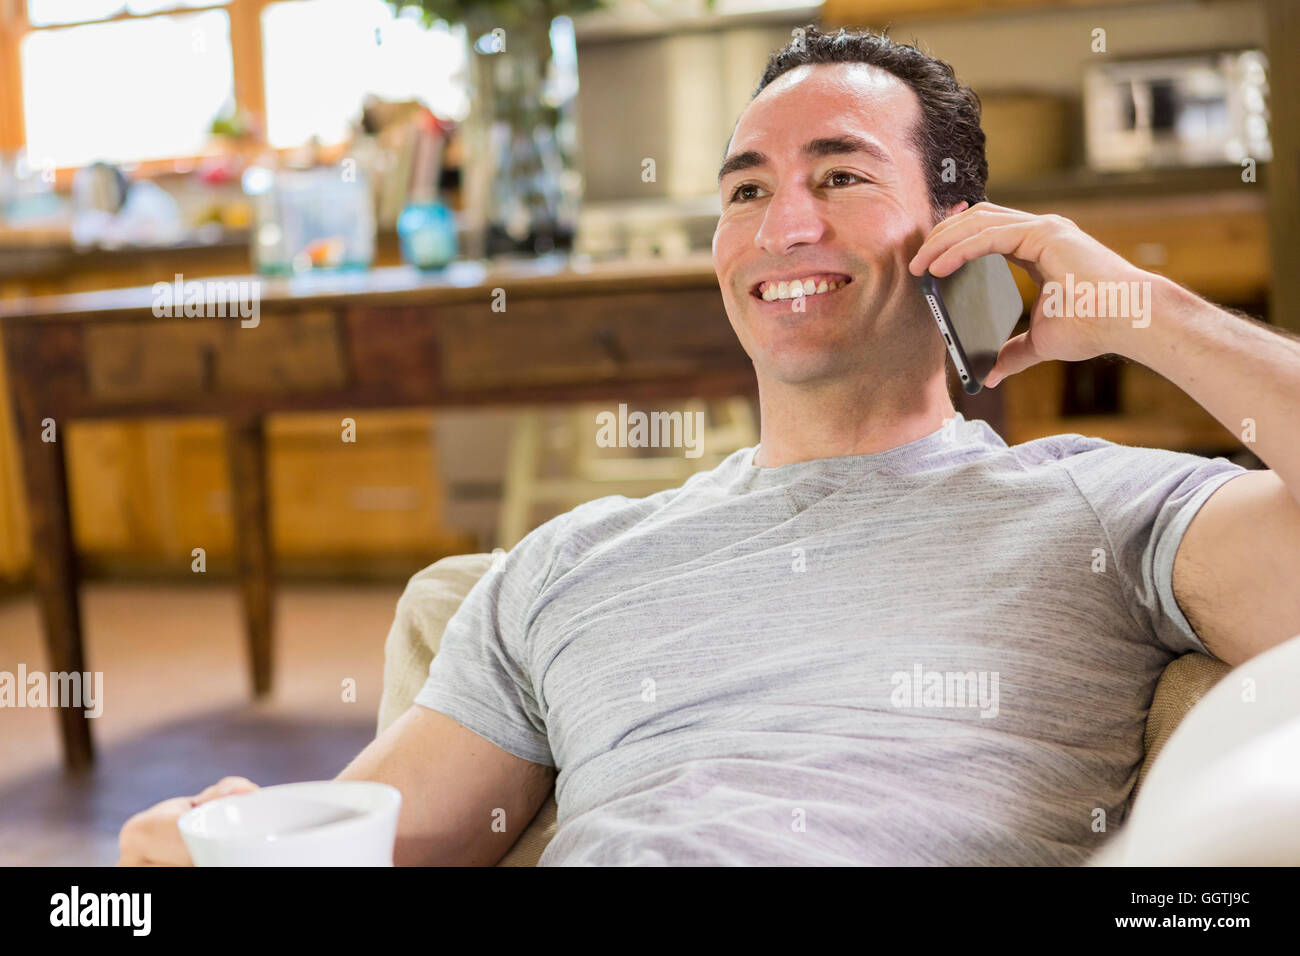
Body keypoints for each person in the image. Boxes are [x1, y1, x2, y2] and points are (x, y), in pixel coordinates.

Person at [119, 24, 1300, 866]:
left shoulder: (1101, 515)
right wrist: (219, 837)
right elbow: (372, 834)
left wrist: (1147, 309)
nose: (784, 225)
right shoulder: (568, 560)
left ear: (961, 235)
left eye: (840, 175)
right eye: (745, 192)